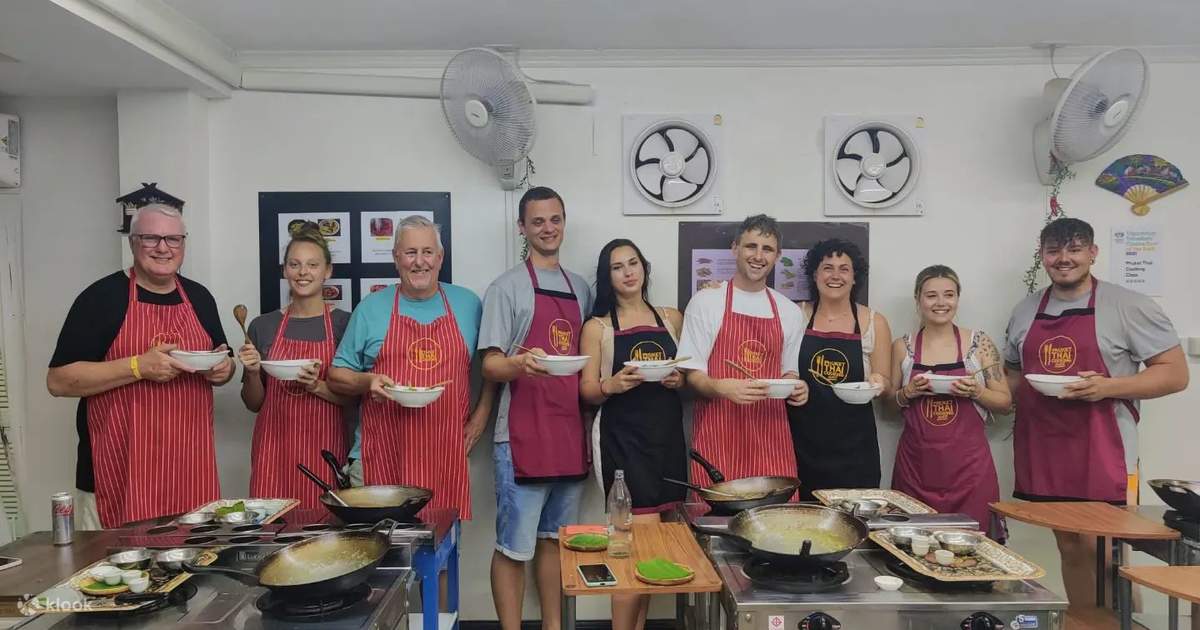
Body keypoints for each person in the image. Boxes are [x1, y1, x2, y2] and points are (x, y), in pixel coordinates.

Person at [1004, 217, 1188, 608]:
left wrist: (1108, 387)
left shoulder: (1127, 306)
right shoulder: (1024, 310)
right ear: (1043, 256)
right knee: (1069, 547)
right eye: (1054, 251)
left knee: (1105, 552)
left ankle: (1122, 623)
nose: (1064, 259)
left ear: (1092, 253)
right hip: (1043, 448)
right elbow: (1013, 374)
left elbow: (1175, 374)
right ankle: (1085, 622)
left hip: (1103, 451)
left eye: (1074, 249)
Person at [47, 204, 233, 529]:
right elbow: (59, 381)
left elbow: (223, 360)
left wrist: (223, 370)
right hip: (117, 476)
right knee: (117, 575)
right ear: (133, 243)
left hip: (190, 476)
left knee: (190, 572)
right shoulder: (101, 298)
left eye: (173, 239)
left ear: (183, 244)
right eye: (152, 238)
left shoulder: (200, 298)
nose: (163, 248)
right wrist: (137, 366)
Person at [479, 186, 593, 630]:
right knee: (512, 546)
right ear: (522, 228)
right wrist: (519, 363)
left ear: (565, 222)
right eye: (538, 221)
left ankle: (553, 626)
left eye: (555, 219)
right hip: (520, 436)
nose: (548, 228)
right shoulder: (506, 287)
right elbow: (488, 365)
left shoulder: (579, 287)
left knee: (553, 542)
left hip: (567, 432)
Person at [328, 215, 492, 521]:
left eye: (427, 252)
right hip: (380, 455)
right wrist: (368, 381)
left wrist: (481, 417)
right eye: (410, 253)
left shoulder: (468, 304)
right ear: (395, 258)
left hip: (445, 455)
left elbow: (492, 366)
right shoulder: (371, 308)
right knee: (380, 558)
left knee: (440, 555)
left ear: (440, 258)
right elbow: (336, 375)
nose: (420, 262)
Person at [580, 239, 685, 630]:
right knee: (631, 547)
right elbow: (587, 390)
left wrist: (678, 379)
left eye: (633, 263)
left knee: (655, 550)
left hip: (667, 440)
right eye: (617, 267)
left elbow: (688, 372)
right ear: (607, 277)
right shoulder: (599, 327)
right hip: (622, 441)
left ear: (644, 267)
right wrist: (613, 385)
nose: (628, 272)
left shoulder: (671, 318)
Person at [676, 214, 808, 490]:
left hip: (772, 438)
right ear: (735, 248)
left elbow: (789, 371)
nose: (758, 256)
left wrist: (798, 387)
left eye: (767, 249)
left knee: (775, 525)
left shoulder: (789, 311)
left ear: (777, 256)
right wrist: (721, 388)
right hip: (718, 437)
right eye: (751, 246)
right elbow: (692, 376)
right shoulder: (706, 303)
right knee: (716, 526)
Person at [888, 265, 1010, 540]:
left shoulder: (979, 344)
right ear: (918, 299)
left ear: (958, 298)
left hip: (970, 474)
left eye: (949, 295)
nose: (941, 303)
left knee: (976, 552)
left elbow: (1004, 403)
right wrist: (907, 393)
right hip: (915, 471)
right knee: (913, 550)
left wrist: (976, 392)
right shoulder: (902, 346)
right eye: (931, 295)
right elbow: (888, 405)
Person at [238, 222, 354, 509]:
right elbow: (254, 404)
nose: (303, 272)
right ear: (284, 270)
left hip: (327, 450)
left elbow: (354, 400)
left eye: (312, 265)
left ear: (327, 271)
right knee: (272, 534)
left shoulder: (345, 324)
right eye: (295, 264)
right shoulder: (262, 326)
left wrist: (316, 385)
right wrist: (253, 374)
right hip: (273, 452)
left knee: (326, 538)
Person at [788, 238, 891, 499]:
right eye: (827, 267)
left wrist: (881, 382)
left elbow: (888, 385)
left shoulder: (873, 322)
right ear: (814, 274)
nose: (835, 276)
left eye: (844, 269)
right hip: (800, 444)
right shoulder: (794, 315)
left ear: (855, 277)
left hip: (855, 448)